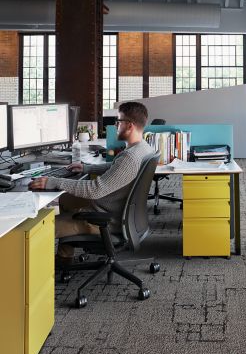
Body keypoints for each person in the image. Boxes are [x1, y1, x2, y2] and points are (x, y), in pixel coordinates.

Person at [29, 101, 154, 264]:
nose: (115, 125)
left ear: (129, 126)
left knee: (38, 229)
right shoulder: (143, 148)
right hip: (115, 208)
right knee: (65, 199)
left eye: (118, 121)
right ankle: (64, 257)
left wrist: (52, 181)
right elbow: (116, 167)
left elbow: (94, 190)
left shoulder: (129, 158)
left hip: (105, 220)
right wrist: (87, 168)